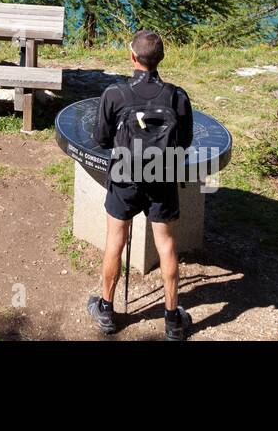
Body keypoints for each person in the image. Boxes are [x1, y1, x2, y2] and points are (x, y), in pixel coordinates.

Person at [87, 30, 195, 340]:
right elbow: (184, 141)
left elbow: (102, 139)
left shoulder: (115, 94)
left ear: (133, 57)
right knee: (167, 245)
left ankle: (106, 311)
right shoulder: (177, 96)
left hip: (125, 176)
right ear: (160, 59)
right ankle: (173, 320)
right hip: (163, 176)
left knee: (115, 241)